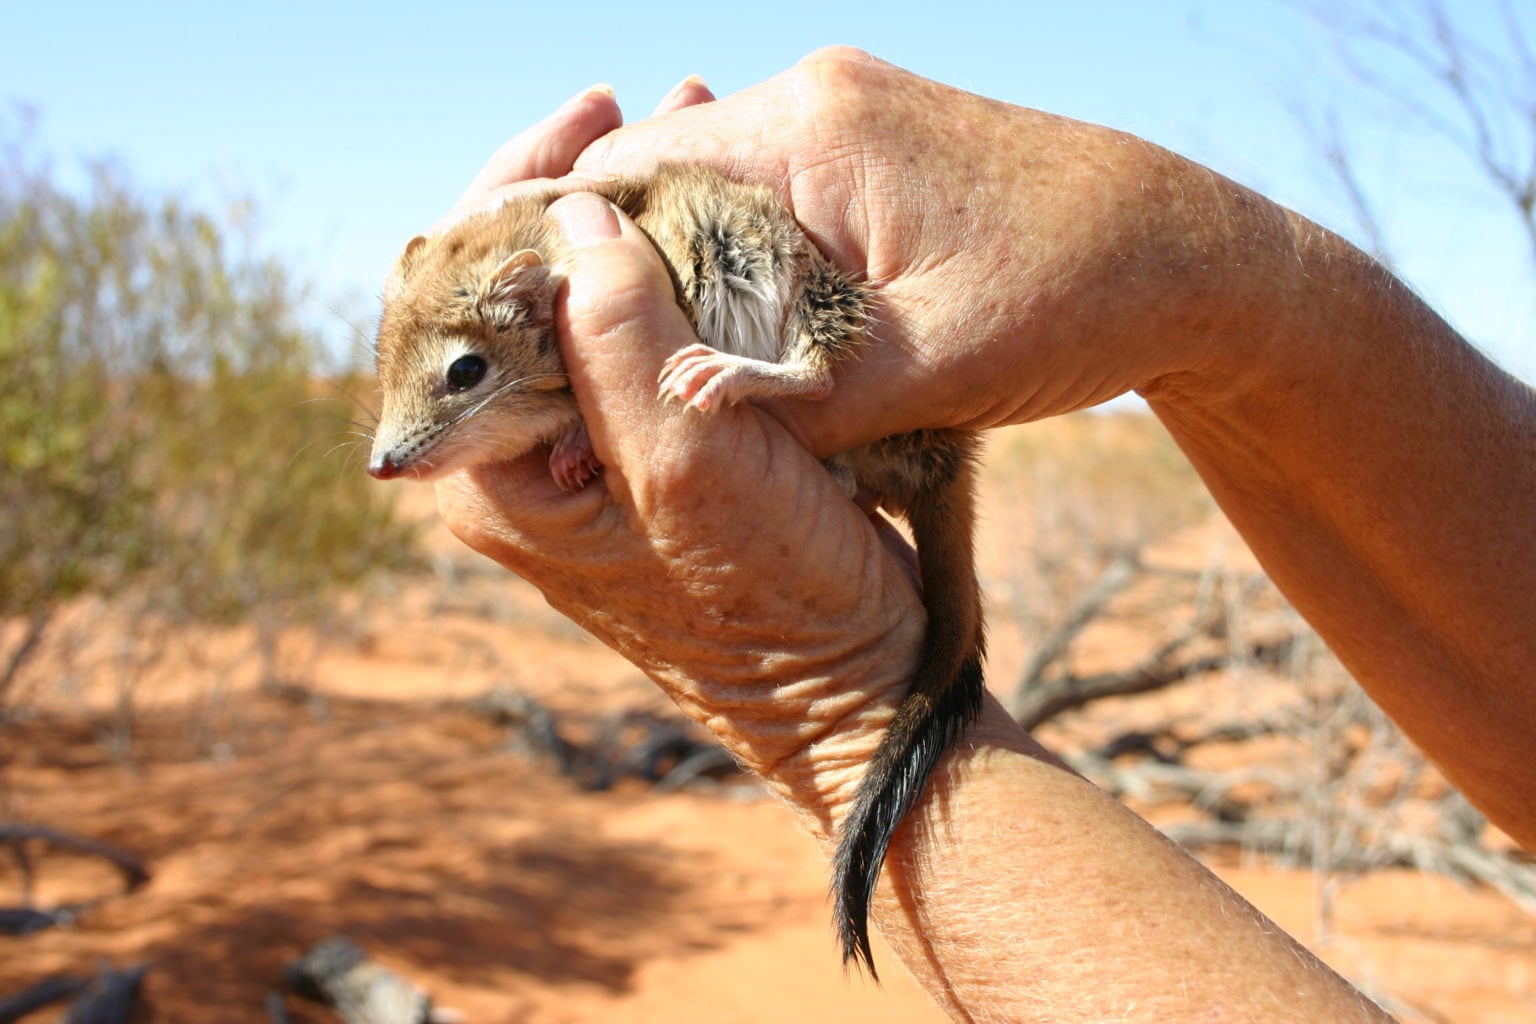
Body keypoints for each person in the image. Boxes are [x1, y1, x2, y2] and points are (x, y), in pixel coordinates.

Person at [430, 48, 1536, 1021]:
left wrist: (828, 697)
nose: (395, 460)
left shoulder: (586, 279)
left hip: (818, 364)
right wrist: (1217, 289)